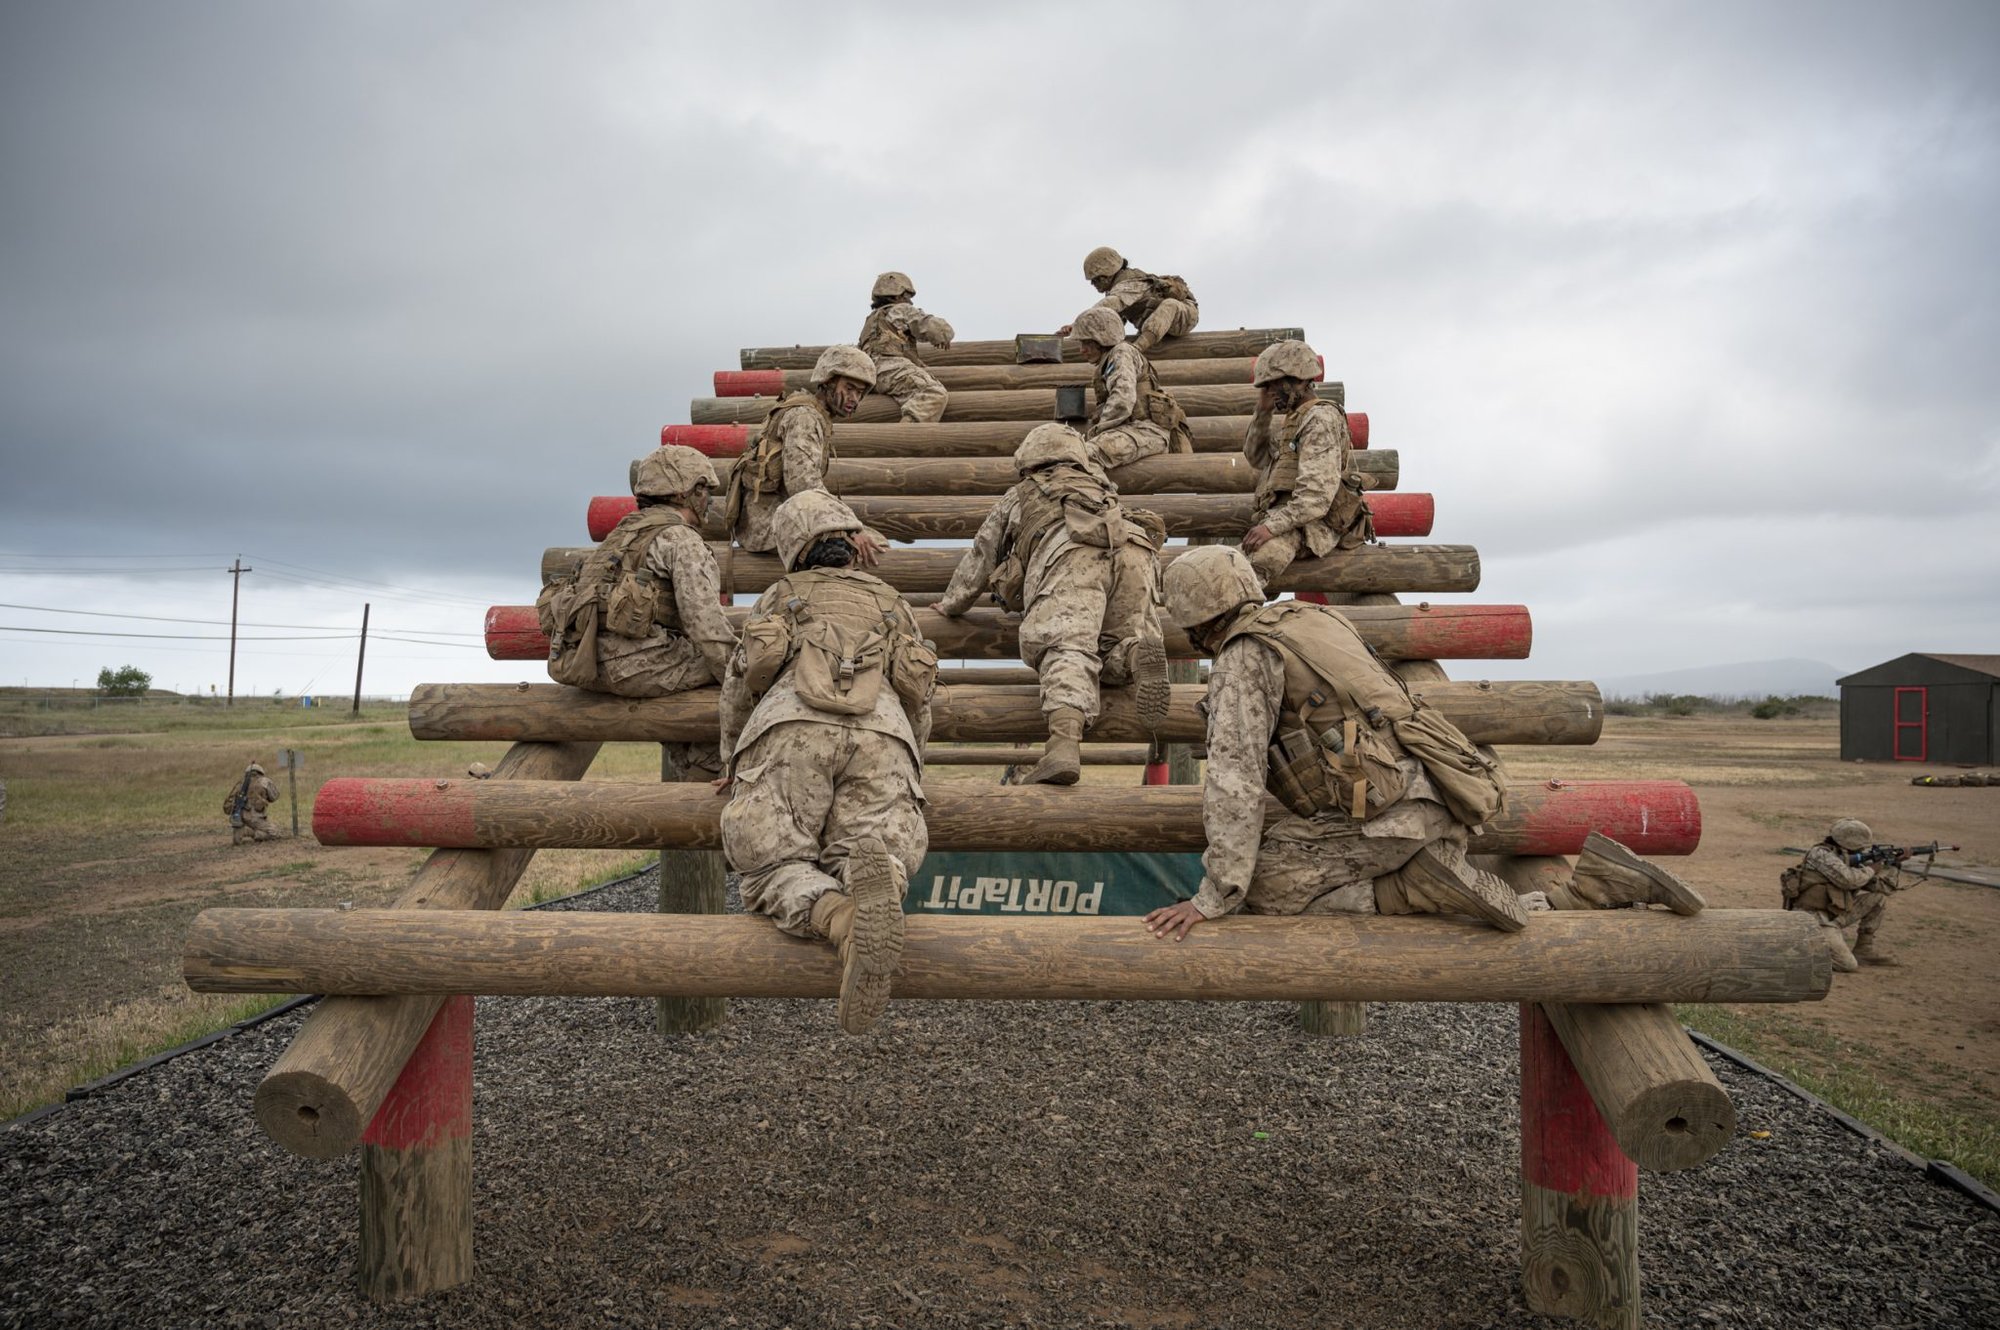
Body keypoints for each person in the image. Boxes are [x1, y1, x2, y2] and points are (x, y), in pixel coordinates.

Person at [1141, 547, 1703, 941]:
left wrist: (1214, 895)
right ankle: (1592, 885)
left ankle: (1412, 885)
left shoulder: (1244, 655)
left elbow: (1234, 781)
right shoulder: (1310, 620)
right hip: (1438, 798)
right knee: (1291, 848)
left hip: (1387, 821)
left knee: (1265, 886)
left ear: (1193, 616)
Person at [719, 491, 937, 1034]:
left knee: (771, 863)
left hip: (790, 729)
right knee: (879, 845)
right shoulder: (892, 602)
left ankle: (839, 919)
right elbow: (920, 695)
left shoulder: (780, 594)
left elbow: (738, 684)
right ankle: (877, 882)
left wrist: (730, 756)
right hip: (883, 731)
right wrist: (916, 764)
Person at [935, 423, 1172, 784]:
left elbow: (981, 556)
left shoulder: (1023, 493)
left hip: (1073, 550)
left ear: (1030, 461)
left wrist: (951, 604)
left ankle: (1063, 747)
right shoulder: (1101, 489)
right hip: (1134, 548)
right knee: (1112, 645)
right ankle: (1138, 654)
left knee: (1065, 646)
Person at [535, 445, 737, 779]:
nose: (708, 500)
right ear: (686, 493)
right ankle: (705, 776)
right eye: (703, 490)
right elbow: (708, 630)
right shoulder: (681, 540)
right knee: (733, 671)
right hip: (635, 667)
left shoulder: (620, 536)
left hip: (584, 663)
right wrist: (744, 676)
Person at [722, 344, 888, 566]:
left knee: (870, 542)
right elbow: (803, 485)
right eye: (849, 388)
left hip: (779, 519)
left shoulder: (811, 414)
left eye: (859, 392)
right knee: (869, 548)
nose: (854, 399)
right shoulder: (805, 417)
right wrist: (848, 529)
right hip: (768, 527)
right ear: (827, 382)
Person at [1239, 339, 1372, 594]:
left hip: (1309, 528)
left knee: (1247, 575)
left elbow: (1315, 498)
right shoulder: (1294, 421)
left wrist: (1270, 528)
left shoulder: (1320, 419)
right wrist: (1263, 412)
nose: (1270, 392)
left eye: (1274, 385)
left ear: (1300, 380)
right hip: (1286, 520)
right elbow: (1255, 457)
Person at [1070, 306, 1192, 471]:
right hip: (1134, 430)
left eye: (1087, 343)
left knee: (1085, 455)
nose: (1081, 350)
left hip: (1147, 431)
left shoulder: (1121, 353)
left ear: (1102, 340)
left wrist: (1097, 432)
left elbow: (1122, 399)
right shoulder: (1114, 357)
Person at [1782, 818, 1908, 971]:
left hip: (1835, 914)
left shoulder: (1848, 859)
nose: (1863, 851)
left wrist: (1894, 865)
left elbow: (1883, 889)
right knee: (1847, 964)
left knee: (1877, 899)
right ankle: (1798, 955)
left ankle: (1864, 949)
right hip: (1814, 919)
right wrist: (1872, 869)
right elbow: (1849, 880)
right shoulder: (1820, 854)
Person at [857, 271, 954, 423]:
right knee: (933, 393)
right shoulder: (899, 309)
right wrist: (944, 335)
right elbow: (933, 327)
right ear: (896, 296)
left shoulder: (871, 321)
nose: (910, 303)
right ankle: (906, 434)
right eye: (907, 297)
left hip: (867, 373)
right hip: (888, 369)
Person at [1060, 246, 1199, 352]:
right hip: (1157, 326)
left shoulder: (1131, 282)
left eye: (1096, 280)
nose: (1093, 284)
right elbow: (1111, 320)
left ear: (1108, 274)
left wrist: (1078, 324)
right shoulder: (1116, 290)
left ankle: (1137, 349)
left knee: (1170, 304)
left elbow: (1110, 304)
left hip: (1184, 316)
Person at [224, 761, 281, 845]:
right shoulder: (264, 781)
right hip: (255, 818)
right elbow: (274, 797)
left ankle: (240, 830)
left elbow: (227, 805)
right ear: (261, 772)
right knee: (275, 832)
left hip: (238, 817)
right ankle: (249, 832)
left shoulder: (240, 783)